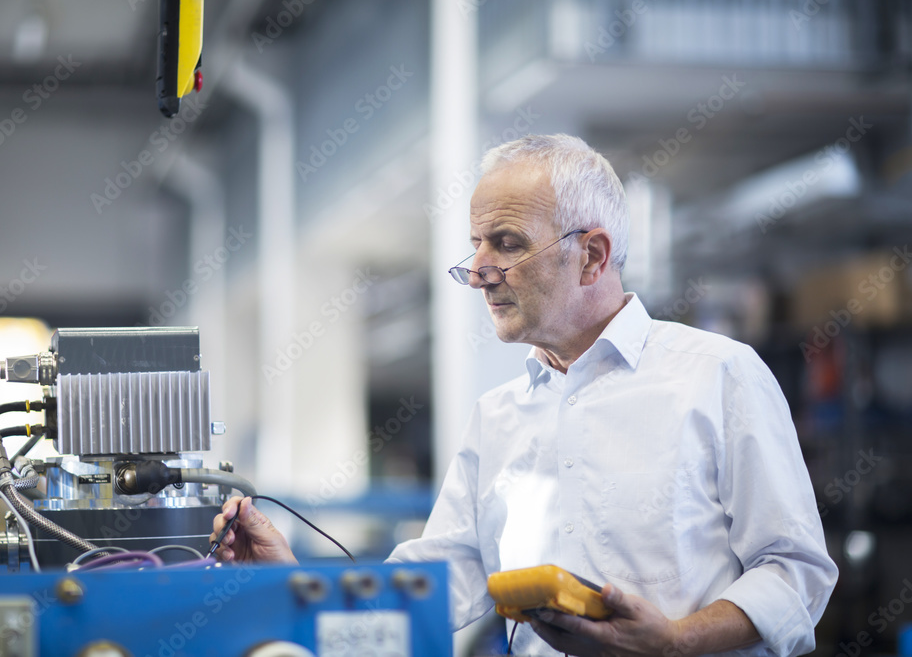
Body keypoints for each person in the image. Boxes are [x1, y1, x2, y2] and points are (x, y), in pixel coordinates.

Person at [211, 134, 838, 656]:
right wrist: (292, 581)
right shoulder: (500, 416)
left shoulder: (718, 375)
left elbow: (796, 574)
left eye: (506, 243)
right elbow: (436, 583)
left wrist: (675, 640)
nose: (479, 269)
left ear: (592, 255)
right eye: (477, 244)